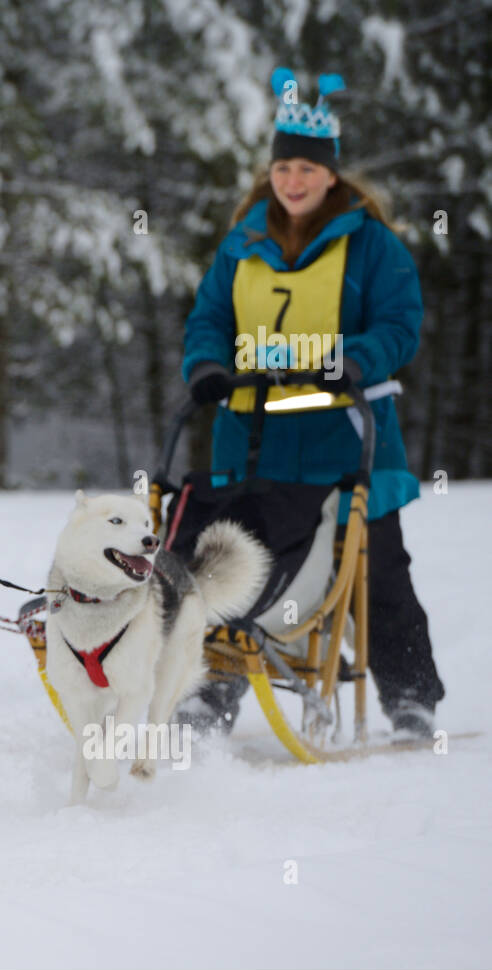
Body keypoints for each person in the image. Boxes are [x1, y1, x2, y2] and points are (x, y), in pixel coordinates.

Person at [177, 68, 443, 738]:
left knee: (376, 570)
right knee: (234, 563)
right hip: (254, 440)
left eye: (306, 168)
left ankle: (410, 697)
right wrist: (207, 365)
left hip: (348, 440)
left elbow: (399, 324)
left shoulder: (372, 246)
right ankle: (211, 692)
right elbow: (208, 319)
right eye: (282, 168)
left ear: (331, 174)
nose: (292, 181)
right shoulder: (242, 247)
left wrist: (356, 358)